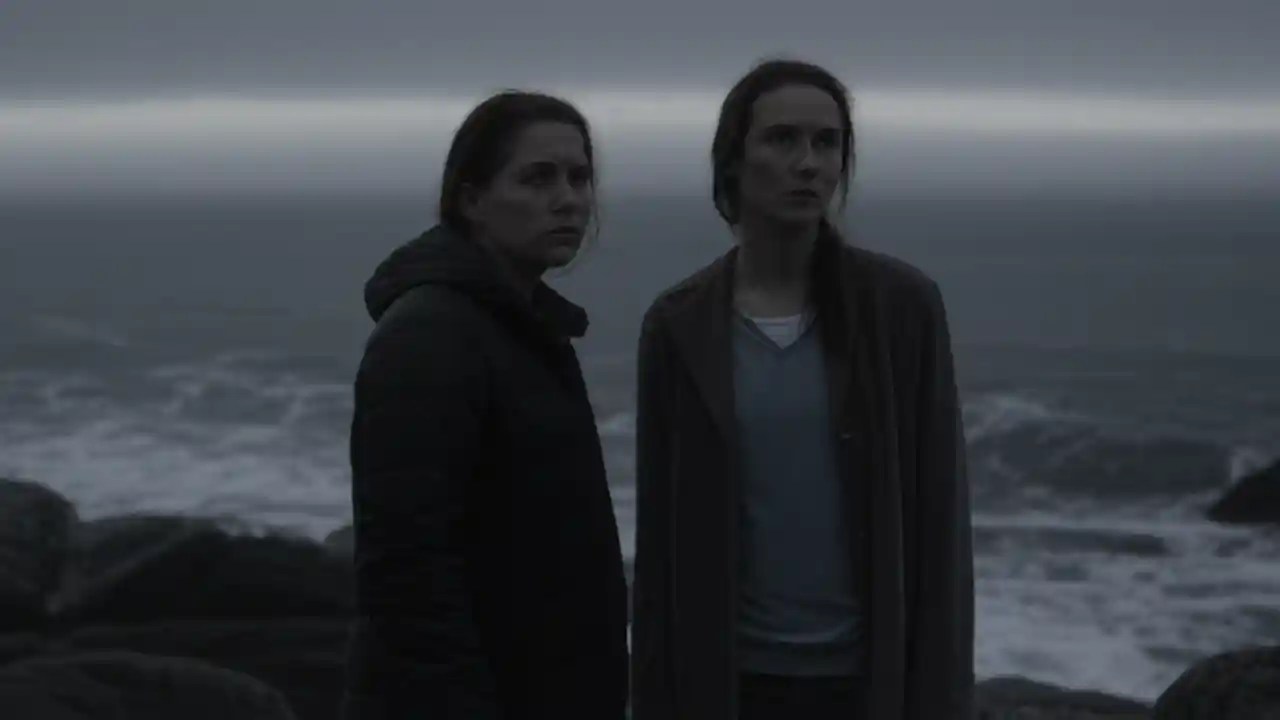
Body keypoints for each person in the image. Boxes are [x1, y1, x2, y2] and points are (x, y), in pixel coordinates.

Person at [629, 59, 974, 719]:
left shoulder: (903, 307)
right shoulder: (679, 325)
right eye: (782, 139)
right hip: (732, 682)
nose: (808, 163)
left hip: (865, 683)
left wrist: (943, 696)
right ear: (734, 160)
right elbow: (660, 546)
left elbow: (940, 522)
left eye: (826, 142)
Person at [341, 90, 629, 719]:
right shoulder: (430, 336)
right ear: (471, 200)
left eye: (579, 178)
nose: (568, 199)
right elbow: (407, 574)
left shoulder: (524, 328)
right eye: (537, 178)